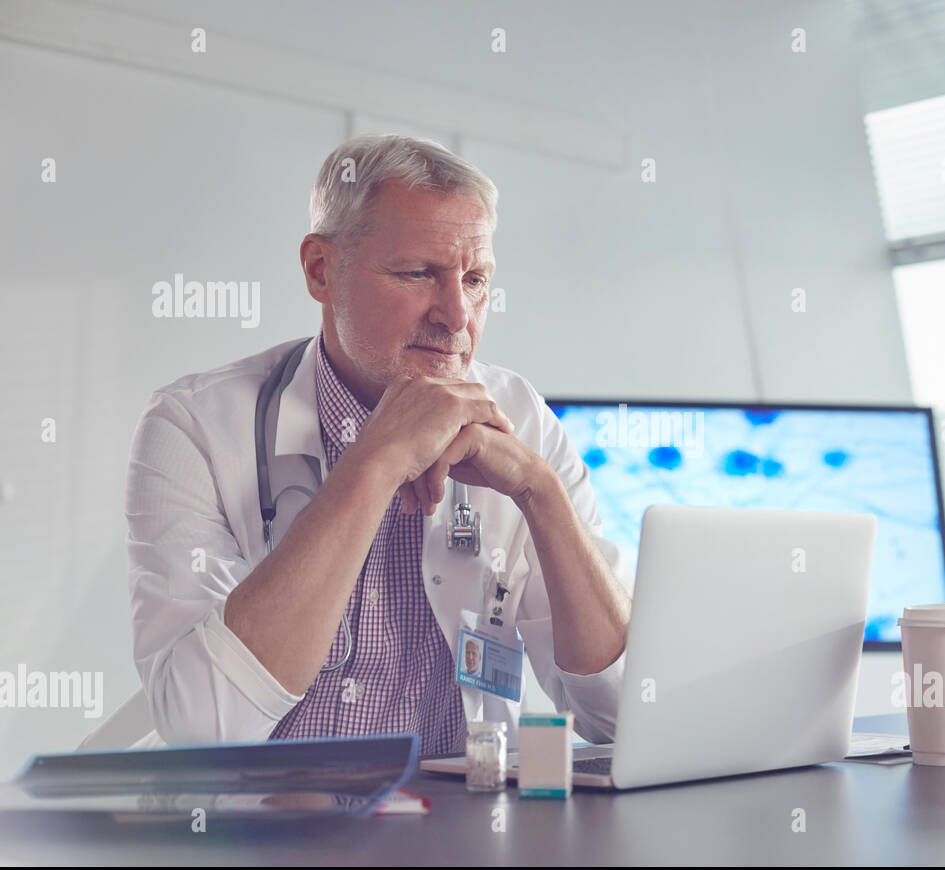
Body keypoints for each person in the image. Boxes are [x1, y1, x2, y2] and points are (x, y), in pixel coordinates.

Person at [125, 135, 632, 755]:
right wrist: (375, 463)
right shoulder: (194, 426)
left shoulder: (520, 416)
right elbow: (201, 727)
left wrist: (540, 492)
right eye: (418, 274)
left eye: (475, 280)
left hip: (456, 833)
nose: (456, 315)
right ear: (320, 269)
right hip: (256, 836)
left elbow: (625, 713)